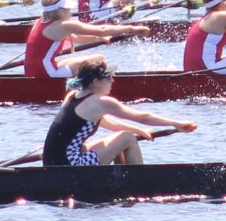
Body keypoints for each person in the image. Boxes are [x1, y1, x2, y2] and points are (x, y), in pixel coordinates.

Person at [42, 57, 195, 166]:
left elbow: (103, 120)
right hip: (69, 165)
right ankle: (137, 185)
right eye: (109, 77)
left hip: (51, 162)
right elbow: (144, 117)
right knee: (127, 138)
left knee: (116, 140)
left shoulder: (73, 96)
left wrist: (138, 130)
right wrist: (177, 123)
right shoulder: (101, 102)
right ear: (96, 82)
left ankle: (119, 179)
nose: (113, 81)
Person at [22, 0, 149, 79]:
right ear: (59, 11)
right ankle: (89, 88)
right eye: (67, 9)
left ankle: (89, 82)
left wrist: (98, 38)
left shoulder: (41, 21)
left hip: (33, 72)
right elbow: (102, 29)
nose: (70, 12)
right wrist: (132, 28)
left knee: (84, 62)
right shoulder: (64, 25)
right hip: (46, 75)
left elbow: (77, 38)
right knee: (98, 60)